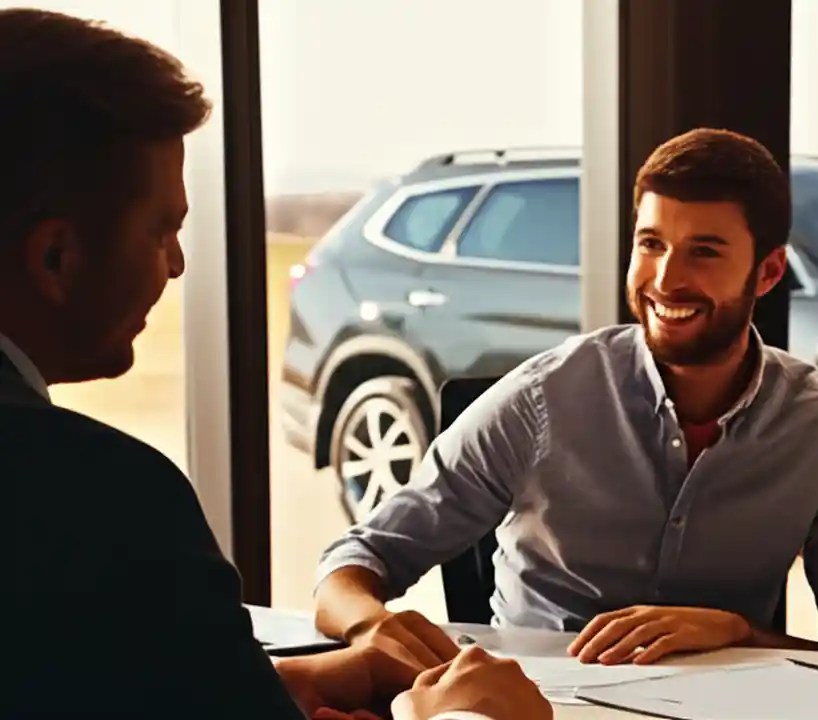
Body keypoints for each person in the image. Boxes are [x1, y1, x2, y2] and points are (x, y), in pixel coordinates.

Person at [0, 9, 545, 719]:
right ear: (56, 258)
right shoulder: (101, 503)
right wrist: (464, 717)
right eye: (161, 229)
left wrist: (294, 686)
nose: (176, 264)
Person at [315, 128, 818, 667]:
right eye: (651, 244)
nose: (666, 279)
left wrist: (739, 633)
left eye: (704, 251)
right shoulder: (544, 397)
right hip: (543, 703)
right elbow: (353, 565)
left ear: (767, 273)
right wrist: (370, 628)